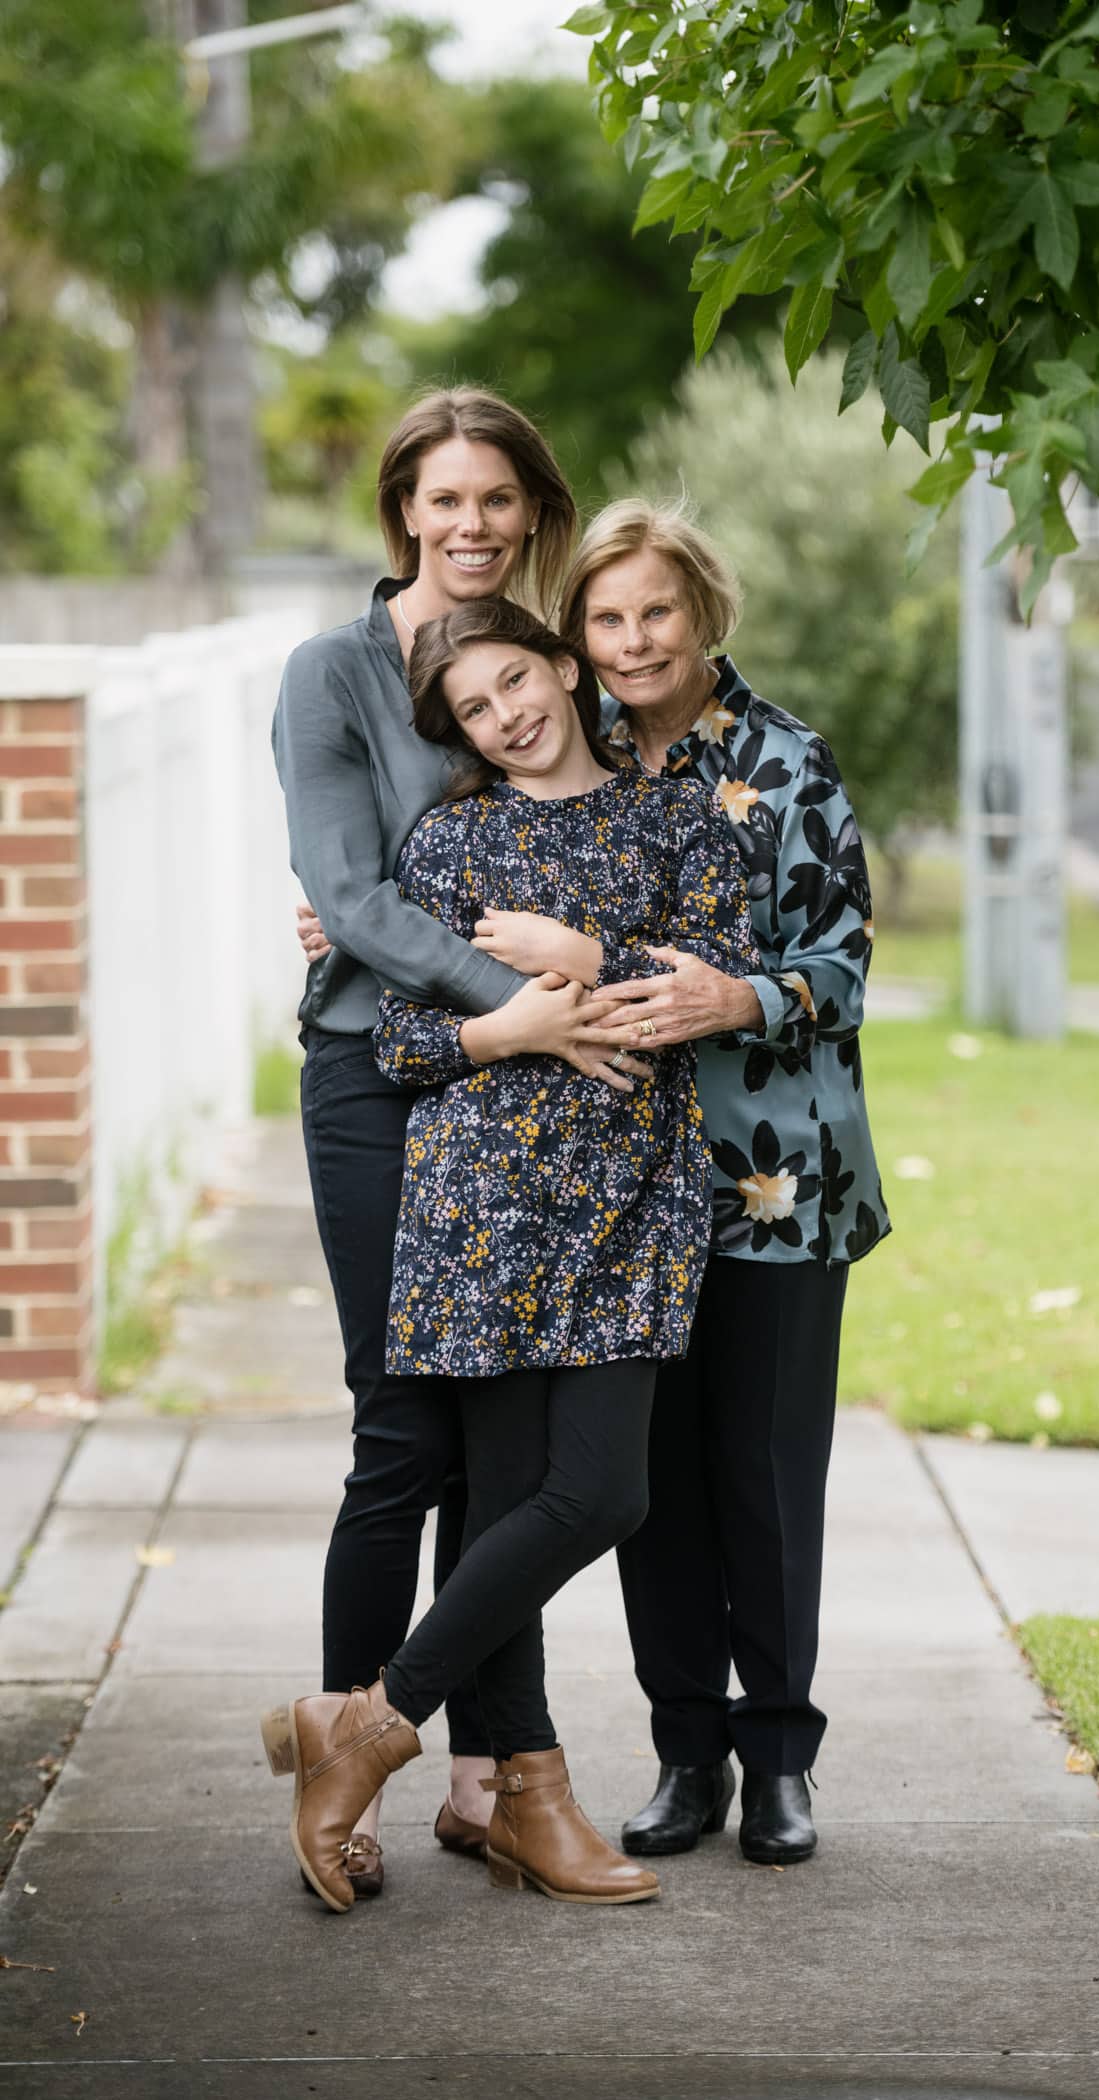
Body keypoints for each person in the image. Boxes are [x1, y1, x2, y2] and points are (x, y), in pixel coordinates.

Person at [263, 595, 760, 1914]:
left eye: (515, 682)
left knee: (602, 1495)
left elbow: (720, 984)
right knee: (498, 1501)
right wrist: (513, 1026)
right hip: (479, 1209)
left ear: (558, 662)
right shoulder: (450, 841)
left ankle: (370, 1721)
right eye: (475, 711)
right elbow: (396, 1044)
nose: (508, 716)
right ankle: (521, 1798)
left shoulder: (676, 816)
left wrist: (587, 957)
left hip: (628, 1208)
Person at [271, 388, 649, 1899]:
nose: (475, 524)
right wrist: (532, 999)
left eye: (501, 497)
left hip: (526, 1110)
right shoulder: (331, 671)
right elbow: (350, 901)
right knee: (405, 1434)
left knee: (510, 1449)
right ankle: (347, 1760)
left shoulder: (557, 666)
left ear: (534, 509)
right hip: (384, 1077)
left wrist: (578, 985)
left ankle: (493, 1778)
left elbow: (631, 816)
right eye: (447, 499)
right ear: (402, 513)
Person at [556, 500, 889, 1865]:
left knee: (764, 1477)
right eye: (606, 617)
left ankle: (782, 1760)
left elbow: (847, 965)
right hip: (622, 1189)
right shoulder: (563, 765)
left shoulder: (788, 759)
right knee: (657, 1489)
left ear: (704, 615)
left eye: (656, 613)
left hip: (776, 1186)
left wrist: (733, 994)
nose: (633, 641)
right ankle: (685, 1756)